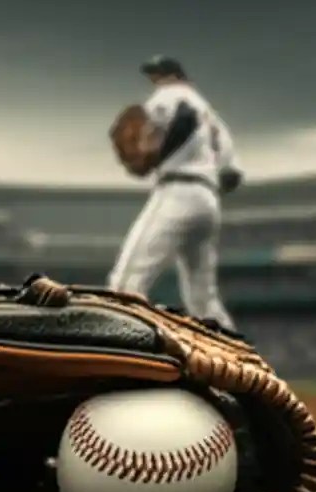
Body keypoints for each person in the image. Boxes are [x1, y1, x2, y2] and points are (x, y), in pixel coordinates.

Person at [107, 55, 242, 330]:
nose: (155, 80)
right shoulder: (212, 117)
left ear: (173, 76)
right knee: (204, 301)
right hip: (208, 200)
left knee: (125, 284)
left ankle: (123, 360)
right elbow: (232, 174)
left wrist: (147, 153)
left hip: (177, 191)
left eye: (159, 74)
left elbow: (148, 143)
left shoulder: (167, 95)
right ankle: (242, 365)